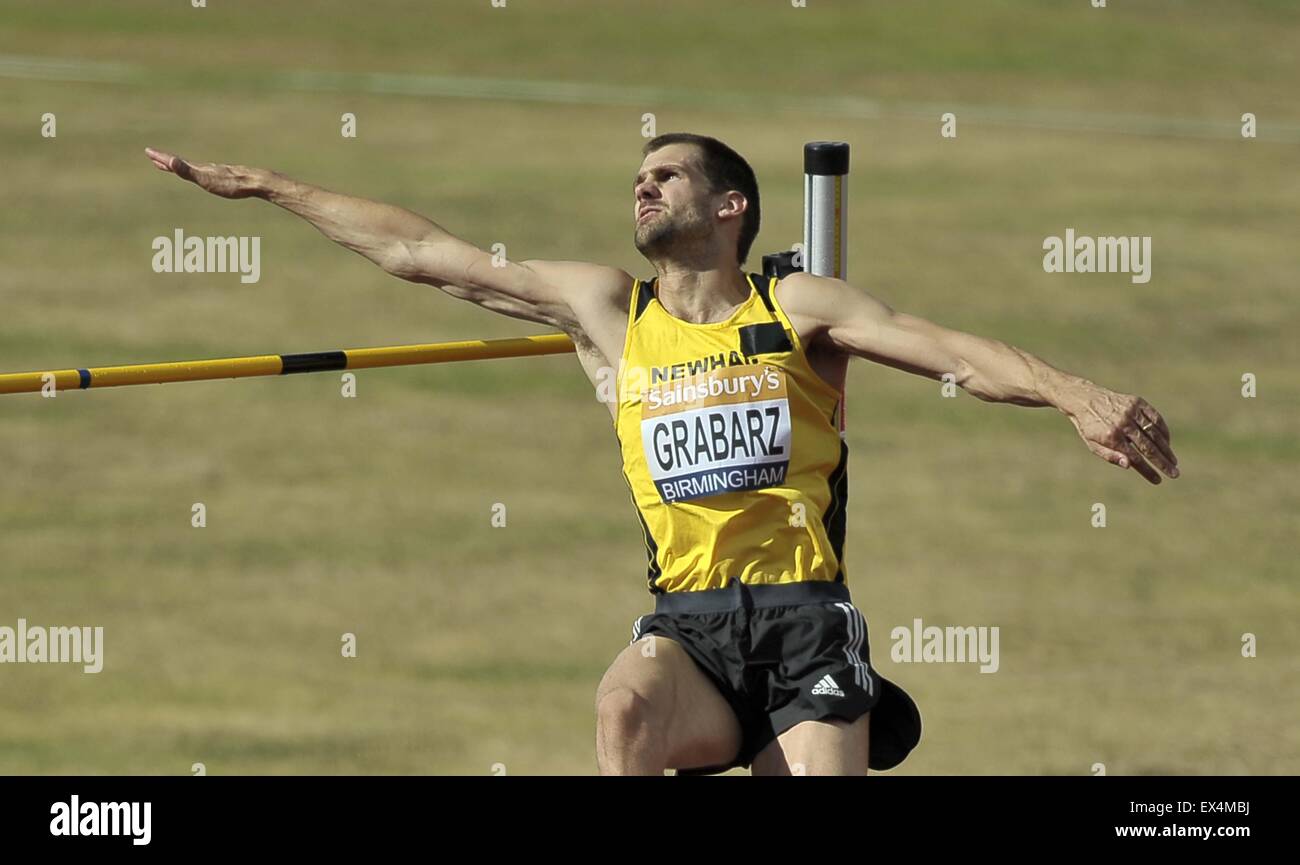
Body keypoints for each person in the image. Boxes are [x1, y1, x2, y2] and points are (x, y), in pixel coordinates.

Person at [144, 132, 1179, 775]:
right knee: (621, 707)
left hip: (804, 621)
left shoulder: (794, 305)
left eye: (667, 176)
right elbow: (424, 256)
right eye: (637, 179)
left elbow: (948, 350)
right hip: (685, 623)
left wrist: (1071, 393)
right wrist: (273, 186)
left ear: (729, 208)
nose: (643, 189)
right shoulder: (606, 309)